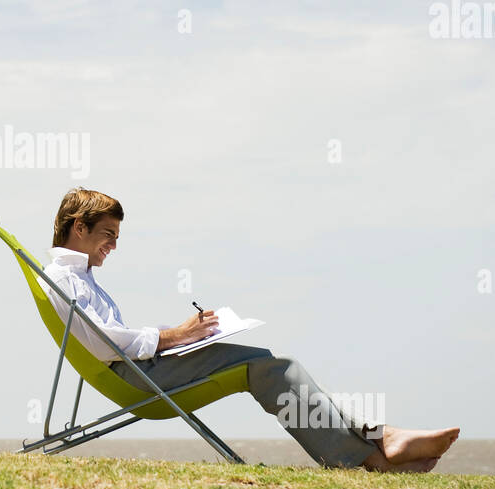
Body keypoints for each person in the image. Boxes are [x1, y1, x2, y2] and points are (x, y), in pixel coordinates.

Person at [43, 188, 459, 472]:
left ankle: (379, 439)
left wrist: (183, 334)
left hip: (144, 368)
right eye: (107, 235)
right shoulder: (65, 279)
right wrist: (178, 336)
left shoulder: (78, 277)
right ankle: (373, 455)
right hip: (139, 378)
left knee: (270, 363)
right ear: (79, 227)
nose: (113, 246)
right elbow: (105, 344)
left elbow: (107, 337)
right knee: (270, 367)